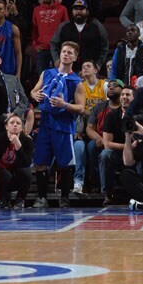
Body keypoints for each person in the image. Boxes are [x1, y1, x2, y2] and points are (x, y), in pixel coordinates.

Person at [29, 40, 87, 208]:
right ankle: (42, 197)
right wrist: (35, 95)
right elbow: (34, 90)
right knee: (40, 161)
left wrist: (64, 105)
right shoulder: (47, 73)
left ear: (75, 57)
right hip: (46, 123)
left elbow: (81, 108)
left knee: (65, 162)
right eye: (64, 51)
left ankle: (65, 197)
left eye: (70, 52)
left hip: (63, 124)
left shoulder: (77, 82)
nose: (66, 54)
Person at [0, 113, 34, 209]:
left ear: (22, 128)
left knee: (26, 173)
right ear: (6, 126)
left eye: (18, 123)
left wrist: (18, 147)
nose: (15, 125)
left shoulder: (27, 141)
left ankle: (20, 200)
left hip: (16, 174)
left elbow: (26, 162)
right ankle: (1, 199)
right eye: (12, 123)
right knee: (4, 174)